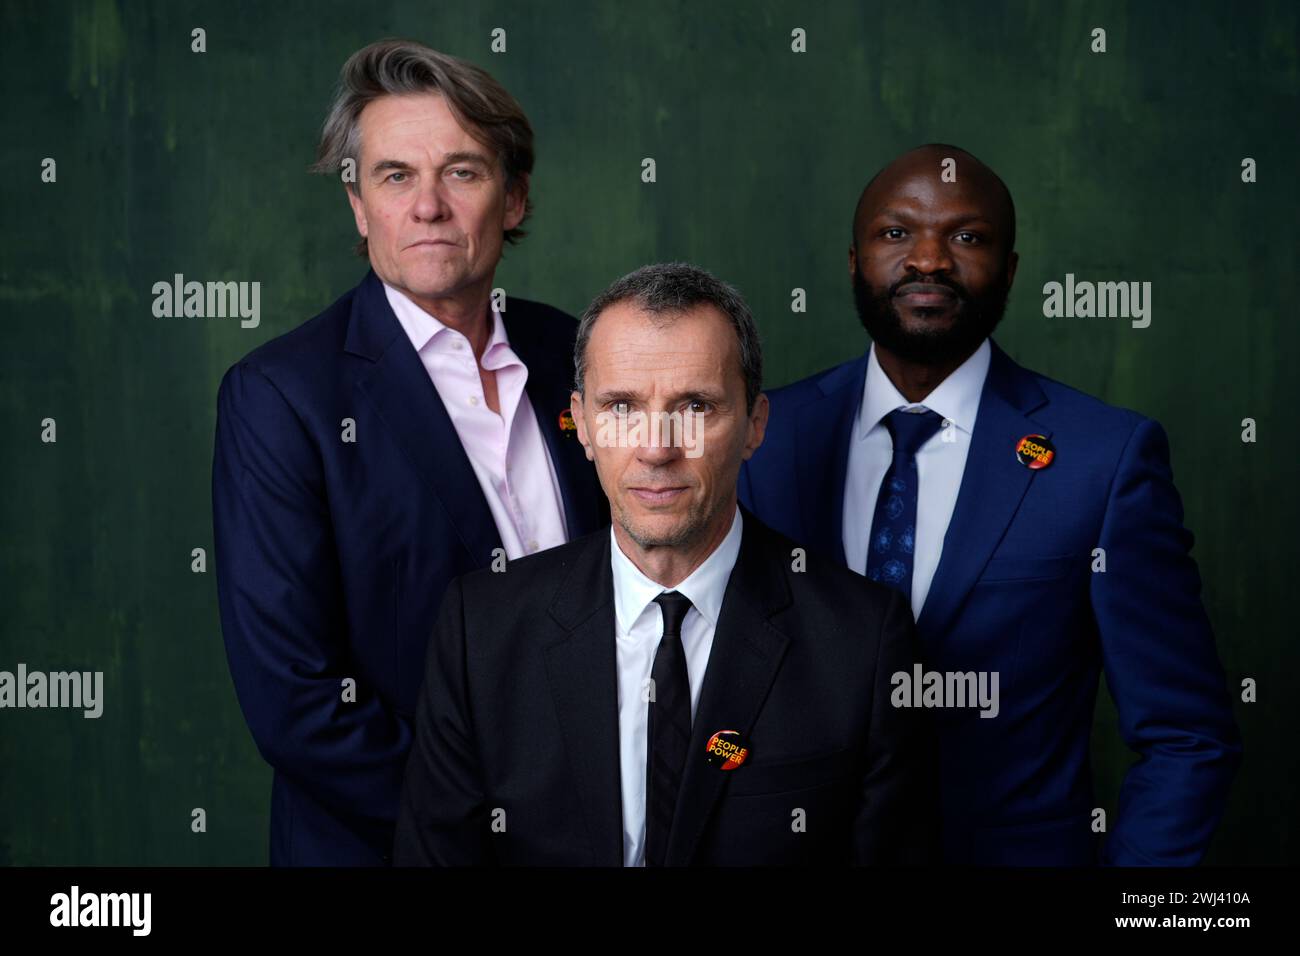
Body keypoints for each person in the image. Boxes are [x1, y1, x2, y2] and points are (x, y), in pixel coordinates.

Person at [740, 144, 1241, 865]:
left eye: (967, 237)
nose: (930, 260)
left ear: (1009, 271)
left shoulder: (1104, 460)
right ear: (854, 261)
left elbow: (1187, 737)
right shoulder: (763, 441)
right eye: (896, 233)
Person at [394, 263, 938, 865]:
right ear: (582, 426)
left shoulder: (863, 642)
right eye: (622, 407)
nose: (657, 448)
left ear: (754, 426)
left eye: (695, 407)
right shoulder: (481, 631)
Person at [212, 39, 603, 866]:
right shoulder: (282, 397)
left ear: (515, 197)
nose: (428, 205)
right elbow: (296, 702)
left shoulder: (575, 350)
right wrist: (494, 830)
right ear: (359, 206)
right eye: (395, 176)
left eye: (462, 172)